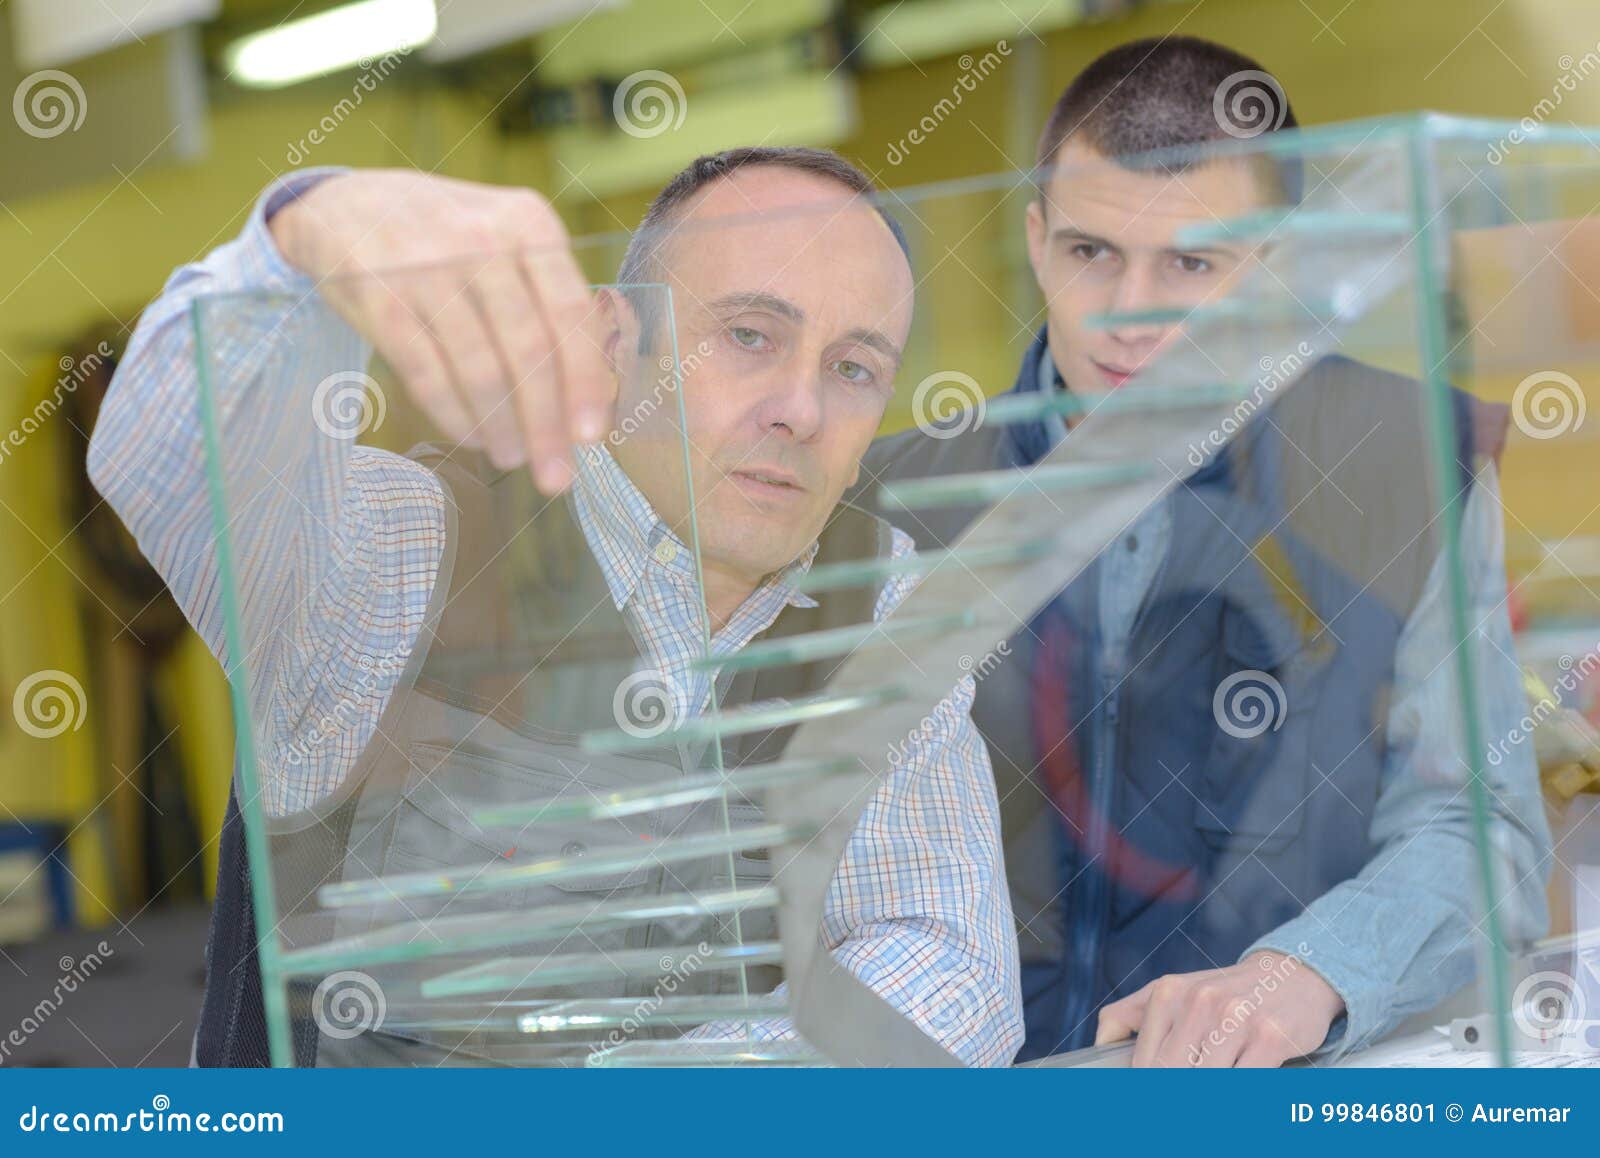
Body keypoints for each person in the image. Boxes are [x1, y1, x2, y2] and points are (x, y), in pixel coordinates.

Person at [89, 148, 1023, 1066]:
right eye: (749, 334)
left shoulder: (883, 602)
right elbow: (165, 464)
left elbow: (948, 958)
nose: (801, 408)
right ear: (615, 343)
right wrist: (306, 233)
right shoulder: (408, 553)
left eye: (854, 368)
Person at [860, 37, 1550, 1066]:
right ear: (1038, 240)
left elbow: (1478, 831)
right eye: (1094, 252)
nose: (1131, 315)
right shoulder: (891, 502)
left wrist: (1309, 972)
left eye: (1192, 263)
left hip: (1264, 1090)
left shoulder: (1409, 462)